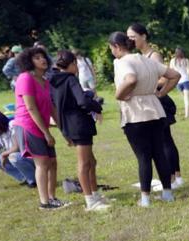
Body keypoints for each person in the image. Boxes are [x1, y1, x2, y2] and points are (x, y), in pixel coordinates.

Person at [109, 31, 179, 207]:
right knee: (159, 154)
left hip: (135, 113)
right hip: (155, 110)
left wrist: (119, 94)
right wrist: (161, 93)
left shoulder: (121, 62)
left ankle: (145, 198)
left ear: (116, 47)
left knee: (143, 157)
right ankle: (167, 193)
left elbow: (131, 79)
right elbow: (175, 75)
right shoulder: (146, 59)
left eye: (111, 48)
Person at [49, 50, 109, 211]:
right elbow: (82, 101)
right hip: (79, 124)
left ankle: (95, 194)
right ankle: (90, 201)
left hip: (68, 124)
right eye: (75, 63)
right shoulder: (70, 79)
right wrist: (96, 105)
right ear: (72, 64)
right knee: (84, 164)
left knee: (91, 161)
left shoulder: (53, 81)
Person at [127, 23, 183, 189]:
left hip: (158, 102)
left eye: (132, 37)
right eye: (128, 38)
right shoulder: (140, 56)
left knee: (165, 140)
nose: (130, 41)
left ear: (143, 36)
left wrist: (160, 92)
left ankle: (175, 178)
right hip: (150, 101)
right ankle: (171, 177)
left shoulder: (153, 56)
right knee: (162, 140)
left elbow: (165, 78)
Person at [14, 45, 66, 209]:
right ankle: (44, 203)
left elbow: (51, 107)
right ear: (29, 62)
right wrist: (46, 133)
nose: (42, 60)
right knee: (42, 163)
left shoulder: (44, 81)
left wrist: (63, 129)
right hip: (28, 126)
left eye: (43, 57)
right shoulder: (25, 78)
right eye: (37, 58)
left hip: (41, 125)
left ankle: (52, 198)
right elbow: (31, 108)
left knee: (53, 162)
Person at [170, 47, 189, 118]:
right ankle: (187, 115)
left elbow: (171, 71)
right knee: (187, 99)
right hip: (186, 80)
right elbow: (188, 72)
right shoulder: (186, 60)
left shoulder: (172, 61)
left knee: (184, 98)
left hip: (178, 82)